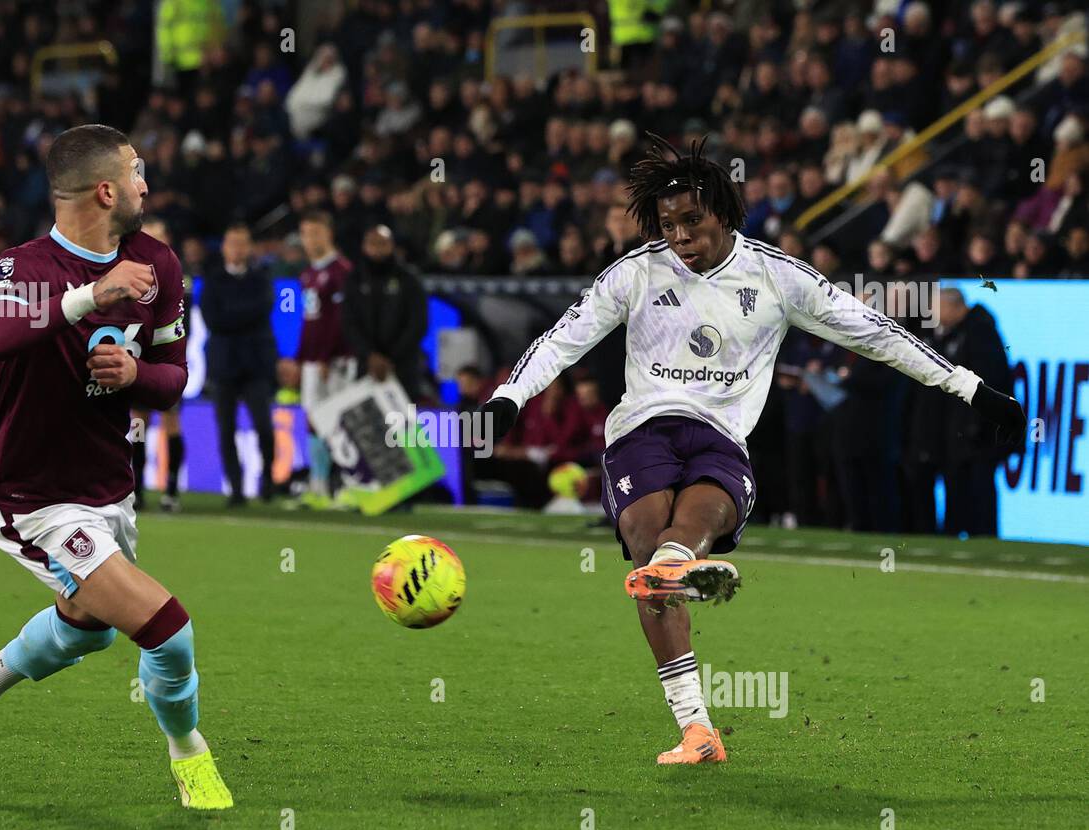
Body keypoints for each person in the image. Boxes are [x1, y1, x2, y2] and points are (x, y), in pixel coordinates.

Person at [478, 136, 1025, 766]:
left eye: (691, 221)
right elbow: (560, 340)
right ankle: (697, 731)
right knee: (647, 552)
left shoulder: (776, 276)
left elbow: (877, 333)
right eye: (668, 224)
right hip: (643, 430)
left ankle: (681, 563)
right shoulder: (635, 274)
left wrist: (971, 388)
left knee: (670, 554)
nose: (679, 236)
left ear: (724, 212)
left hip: (721, 438)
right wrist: (508, 400)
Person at [0, 124, 233, 810]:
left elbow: (174, 381)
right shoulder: (23, 267)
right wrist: (90, 299)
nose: (145, 185)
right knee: (168, 629)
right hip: (33, 499)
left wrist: (134, 372)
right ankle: (190, 758)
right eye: (136, 172)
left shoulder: (158, 263)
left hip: (109, 490)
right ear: (107, 189)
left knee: (89, 626)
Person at [902, 288, 1015, 536]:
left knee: (978, 486)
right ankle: (959, 531)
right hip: (955, 430)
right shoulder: (949, 334)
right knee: (958, 486)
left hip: (979, 432)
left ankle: (982, 536)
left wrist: (974, 425)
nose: (932, 314)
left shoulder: (980, 333)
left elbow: (990, 381)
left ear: (953, 307)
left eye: (937, 308)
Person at [199, 222, 277, 505]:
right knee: (226, 429)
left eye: (243, 243)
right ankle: (236, 488)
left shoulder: (262, 278)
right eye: (233, 243)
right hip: (224, 366)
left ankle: (268, 478)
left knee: (264, 428)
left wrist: (231, 315)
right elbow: (213, 320)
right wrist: (243, 315)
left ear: (250, 247)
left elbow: (261, 310)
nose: (238, 249)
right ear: (224, 247)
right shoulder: (213, 280)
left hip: (256, 365)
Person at [130, 217, 190, 512]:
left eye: (158, 238)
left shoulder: (177, 277)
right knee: (138, 423)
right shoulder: (130, 275)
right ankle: (137, 489)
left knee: (170, 424)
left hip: (166, 360)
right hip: (140, 358)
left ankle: (172, 489)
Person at [295, 209, 354, 507]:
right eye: (306, 233)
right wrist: (301, 357)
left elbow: (342, 321)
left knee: (338, 418)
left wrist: (326, 358)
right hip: (312, 360)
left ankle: (345, 483)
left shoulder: (342, 271)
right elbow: (311, 320)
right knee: (314, 419)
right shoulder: (308, 273)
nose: (310, 239)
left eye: (316, 233)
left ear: (329, 234)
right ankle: (319, 484)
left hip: (336, 360)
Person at [342, 225, 427, 400]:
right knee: (369, 424)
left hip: (403, 367)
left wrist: (391, 358)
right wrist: (369, 355)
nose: (377, 249)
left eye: (382, 243)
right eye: (372, 244)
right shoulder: (354, 279)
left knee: (405, 424)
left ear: (391, 246)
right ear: (364, 246)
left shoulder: (409, 278)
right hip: (367, 366)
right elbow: (349, 322)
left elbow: (418, 323)